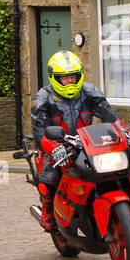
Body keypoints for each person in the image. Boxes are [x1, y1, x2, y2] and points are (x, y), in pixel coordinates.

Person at [30, 50, 120, 232]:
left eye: (73, 77)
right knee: (50, 176)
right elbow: (40, 133)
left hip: (87, 144)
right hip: (56, 146)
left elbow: (111, 118)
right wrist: (54, 148)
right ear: (55, 78)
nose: (70, 81)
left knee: (113, 169)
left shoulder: (89, 92)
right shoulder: (43, 97)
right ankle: (48, 209)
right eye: (65, 78)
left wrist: (124, 133)